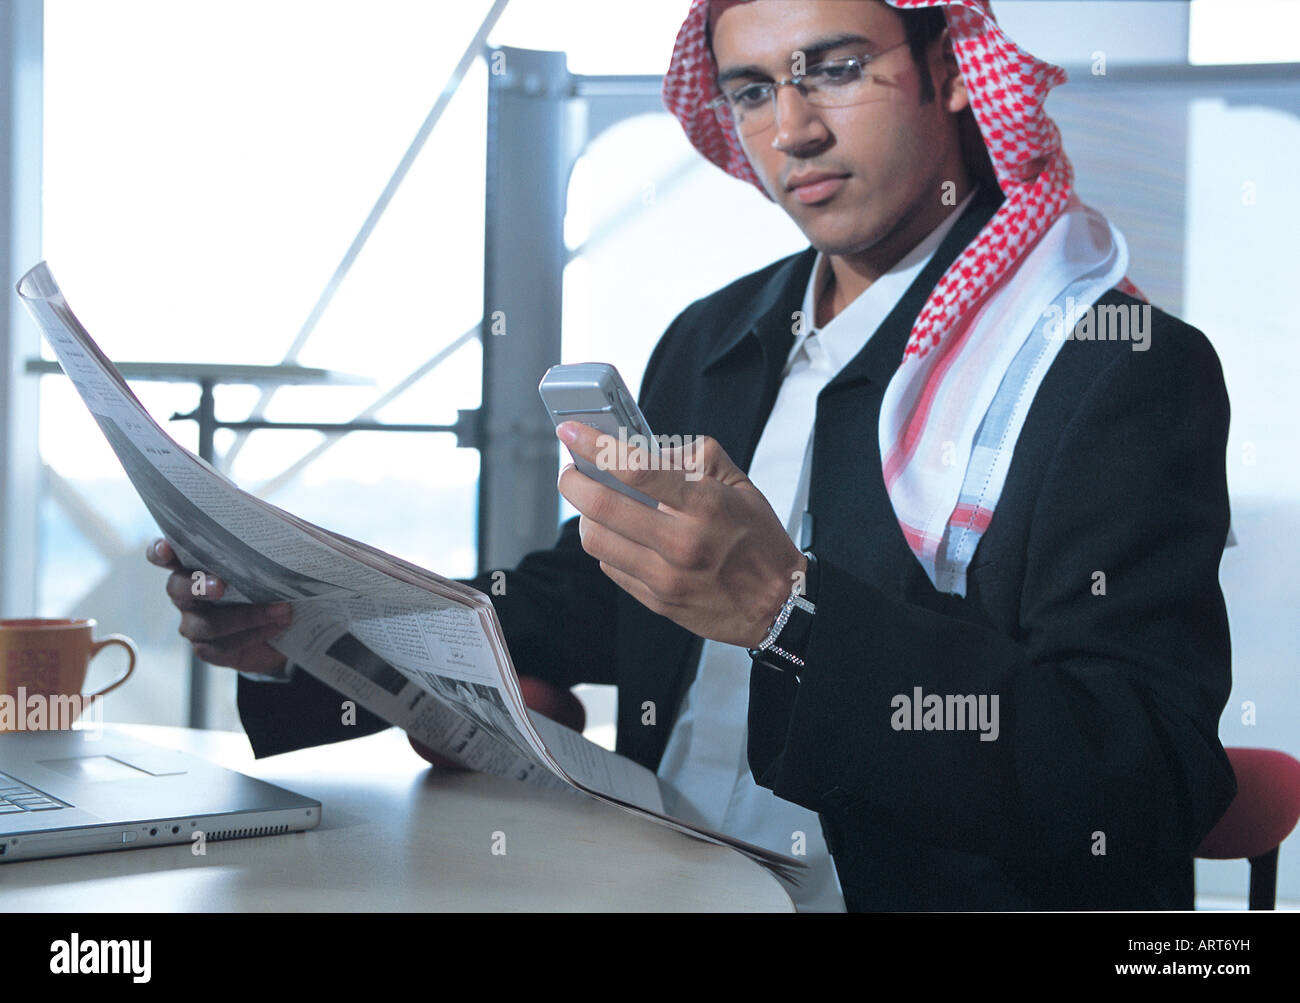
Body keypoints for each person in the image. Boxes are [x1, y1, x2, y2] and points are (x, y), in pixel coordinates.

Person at [148, 0, 1236, 911]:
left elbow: (1146, 775)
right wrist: (314, 628)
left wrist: (788, 614)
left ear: (950, 69)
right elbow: (588, 596)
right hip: (653, 874)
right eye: (754, 90)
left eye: (838, 70)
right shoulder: (716, 337)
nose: (793, 129)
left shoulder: (1108, 366)